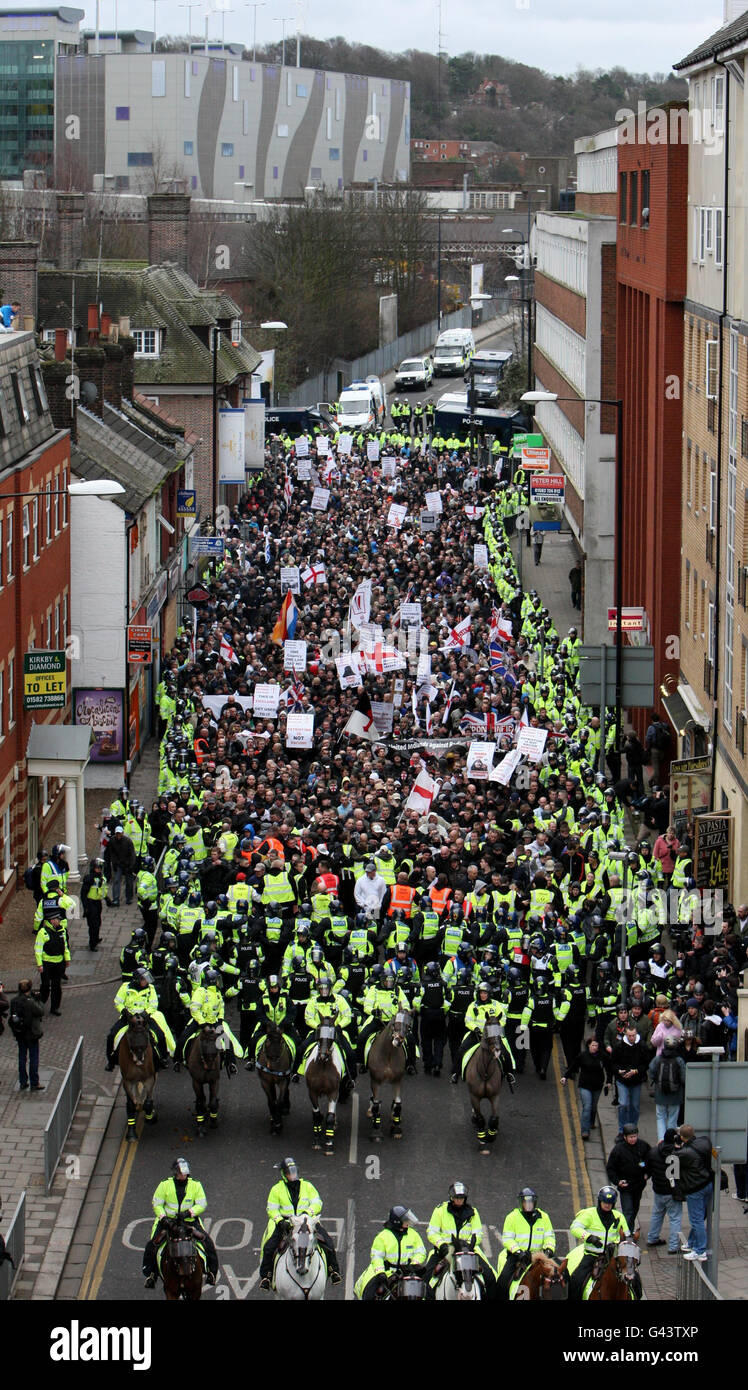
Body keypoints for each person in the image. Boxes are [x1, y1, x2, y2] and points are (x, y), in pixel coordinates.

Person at [259, 1157, 341, 1289]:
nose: (292, 1175)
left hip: (306, 1223)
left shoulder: (308, 1186)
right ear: (284, 1174)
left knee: (328, 1243)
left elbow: (317, 1202)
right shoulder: (276, 1189)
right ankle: (266, 1276)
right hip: (287, 1224)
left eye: (294, 1172)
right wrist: (280, 1222)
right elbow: (272, 1209)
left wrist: (308, 1213)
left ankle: (333, 1271)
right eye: (289, 1173)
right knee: (269, 1247)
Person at [142, 1157, 218, 1287]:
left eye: (185, 1173)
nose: (183, 1176)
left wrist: (189, 1213)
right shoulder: (164, 1185)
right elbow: (157, 1203)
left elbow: (201, 1204)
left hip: (189, 1221)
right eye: (181, 1173)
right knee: (152, 1245)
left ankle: (211, 1272)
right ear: (175, 1173)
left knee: (208, 1243)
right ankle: (151, 1274)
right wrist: (163, 1217)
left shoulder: (196, 1185)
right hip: (167, 1222)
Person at [426, 1180, 496, 1297]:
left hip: (468, 1252)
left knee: (490, 1277)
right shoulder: (440, 1210)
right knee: (426, 1278)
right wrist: (442, 1245)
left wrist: (468, 1246)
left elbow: (478, 1234)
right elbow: (432, 1232)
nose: (459, 1200)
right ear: (451, 1197)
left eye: (461, 1198)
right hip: (445, 1252)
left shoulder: (473, 1213)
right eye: (456, 1198)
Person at [567, 1186, 632, 1301]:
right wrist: (589, 1237)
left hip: (613, 1257)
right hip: (592, 1256)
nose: (607, 1205)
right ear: (599, 1201)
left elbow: (627, 1235)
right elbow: (574, 1228)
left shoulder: (619, 1216)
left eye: (610, 1203)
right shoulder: (589, 1214)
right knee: (576, 1280)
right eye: (605, 1202)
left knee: (634, 1281)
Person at [354, 1206, 426, 1300]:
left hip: (407, 1273)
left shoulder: (413, 1235)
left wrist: (413, 1265)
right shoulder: (383, 1237)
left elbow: (421, 1252)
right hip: (388, 1274)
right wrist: (381, 1273)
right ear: (397, 1222)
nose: (408, 1221)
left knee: (428, 1293)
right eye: (405, 1219)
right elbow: (376, 1257)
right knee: (370, 1295)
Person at [495, 1188, 556, 1299]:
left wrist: (549, 1249)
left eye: (530, 1202)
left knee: (562, 1274)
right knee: (502, 1282)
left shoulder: (544, 1217)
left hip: (540, 1257)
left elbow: (550, 1236)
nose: (528, 1205)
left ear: (534, 1203)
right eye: (525, 1202)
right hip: (518, 1257)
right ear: (521, 1203)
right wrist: (518, 1252)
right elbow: (508, 1239)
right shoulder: (512, 1217)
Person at [673, 1124, 712, 1262]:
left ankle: (700, 1251)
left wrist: (678, 1146)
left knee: (697, 1220)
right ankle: (692, 1242)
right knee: (700, 1217)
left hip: (695, 1188)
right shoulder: (704, 1142)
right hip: (707, 1183)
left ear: (682, 1137)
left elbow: (673, 1158)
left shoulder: (684, 1152)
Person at [605, 1124, 650, 1234]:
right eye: (630, 1137)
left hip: (639, 1185)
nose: (633, 1139)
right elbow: (610, 1168)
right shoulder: (618, 1150)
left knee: (634, 1209)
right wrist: (617, 1181)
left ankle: (627, 1228)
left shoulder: (643, 1146)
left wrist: (648, 1174)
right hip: (626, 1186)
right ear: (625, 1137)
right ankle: (627, 1235)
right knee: (628, 1211)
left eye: (635, 1136)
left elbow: (650, 1160)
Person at [645, 1127, 683, 1253]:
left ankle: (652, 1238)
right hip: (673, 1191)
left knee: (657, 1213)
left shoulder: (654, 1152)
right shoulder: (678, 1153)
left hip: (658, 1189)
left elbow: (646, 1166)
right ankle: (673, 1247)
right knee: (675, 1218)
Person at [562, 1035, 605, 1140]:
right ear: (588, 1045)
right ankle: (585, 1131)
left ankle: (591, 1122)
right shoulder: (583, 1056)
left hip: (597, 1086)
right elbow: (573, 1066)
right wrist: (565, 1076)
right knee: (587, 1107)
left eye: (596, 1046)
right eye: (593, 1045)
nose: (595, 1047)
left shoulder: (602, 1056)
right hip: (585, 1085)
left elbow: (609, 1068)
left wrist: (608, 1082)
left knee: (593, 1107)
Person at [8, 979, 45, 1092]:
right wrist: (38, 1000)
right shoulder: (30, 1002)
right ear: (29, 989)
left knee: (22, 1057)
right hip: (32, 1034)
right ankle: (34, 1082)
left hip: (20, 1033)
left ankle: (23, 1081)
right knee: (33, 1058)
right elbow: (40, 1011)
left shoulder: (14, 1001)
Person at [34, 904, 70, 1016]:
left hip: (59, 963)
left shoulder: (61, 931)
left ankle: (54, 1007)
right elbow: (38, 949)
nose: (59, 921)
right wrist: (39, 964)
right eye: (57, 919)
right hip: (46, 964)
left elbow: (65, 946)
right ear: (51, 920)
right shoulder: (43, 933)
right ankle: (39, 1004)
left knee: (56, 986)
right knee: (45, 986)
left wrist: (67, 959)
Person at [648, 1037, 686, 1141]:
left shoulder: (658, 1058)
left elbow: (651, 1072)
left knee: (660, 1117)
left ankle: (661, 1140)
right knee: (672, 1119)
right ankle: (670, 1140)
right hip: (675, 1095)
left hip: (660, 1094)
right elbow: (683, 1078)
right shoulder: (679, 1060)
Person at [80, 857, 107, 951]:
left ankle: (96, 938)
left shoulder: (101, 878)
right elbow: (83, 894)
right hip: (91, 903)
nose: (99, 869)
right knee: (93, 925)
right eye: (97, 868)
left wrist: (107, 899)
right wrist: (86, 907)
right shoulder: (89, 878)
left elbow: (102, 891)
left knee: (98, 923)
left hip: (97, 903)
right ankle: (92, 943)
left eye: (100, 868)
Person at [109, 824, 138, 906]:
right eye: (117, 833)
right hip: (118, 864)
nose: (118, 835)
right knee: (116, 880)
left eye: (120, 833)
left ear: (122, 833)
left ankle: (129, 898)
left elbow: (132, 854)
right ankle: (115, 899)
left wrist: (131, 865)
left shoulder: (128, 841)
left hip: (127, 863)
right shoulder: (112, 841)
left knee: (129, 882)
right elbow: (112, 853)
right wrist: (114, 863)